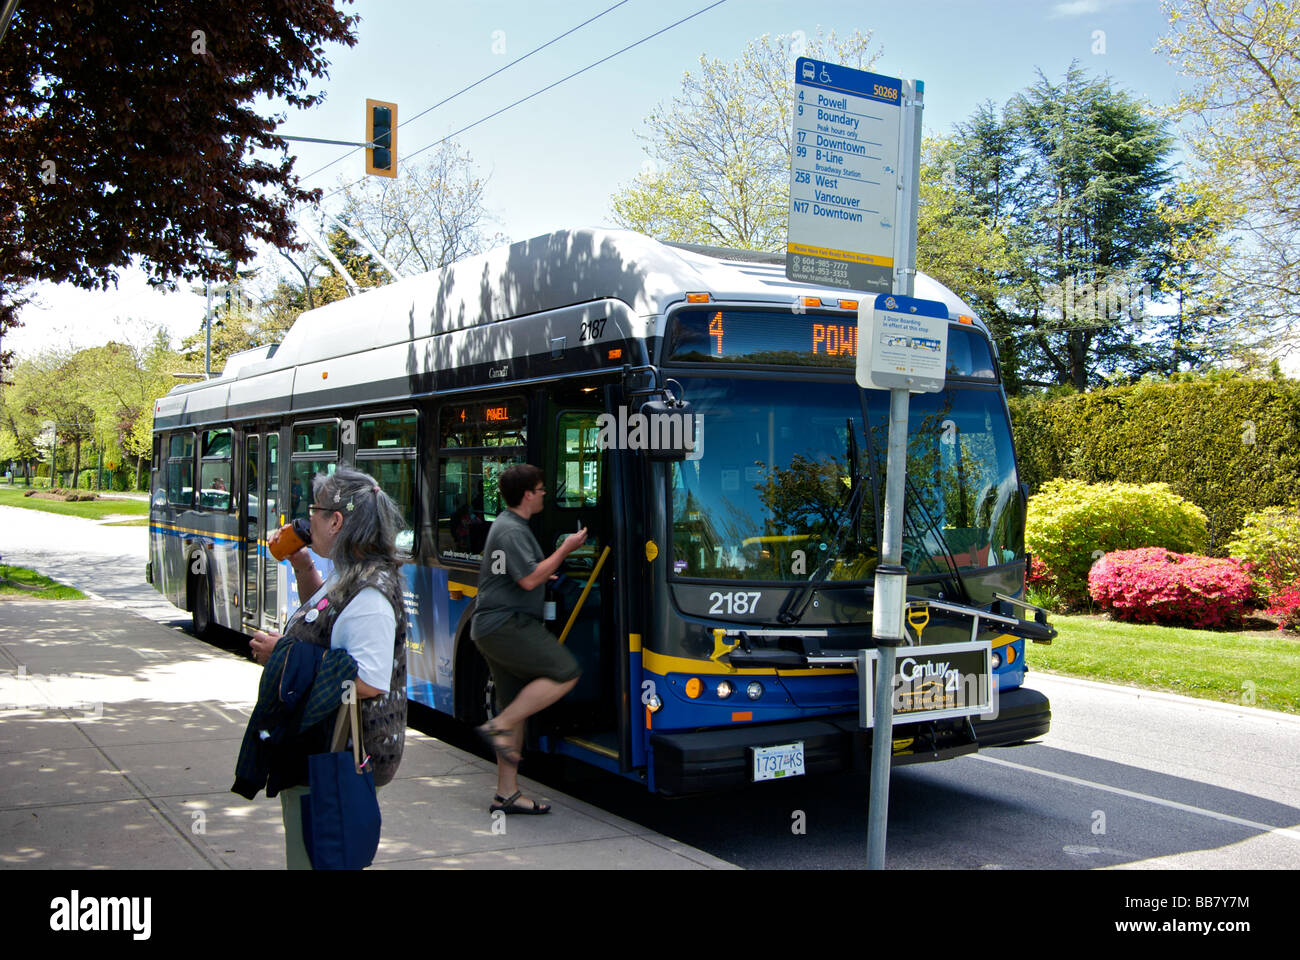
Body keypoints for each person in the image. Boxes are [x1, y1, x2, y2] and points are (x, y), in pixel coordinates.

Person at [233, 467, 407, 869]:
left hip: (333, 756)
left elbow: (368, 679)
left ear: (336, 520)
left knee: (314, 858)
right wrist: (303, 567)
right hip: (319, 749)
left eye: (314, 510)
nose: (306, 519)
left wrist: (285, 654)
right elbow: (325, 620)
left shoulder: (371, 591)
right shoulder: (351, 574)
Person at [472, 463, 586, 814]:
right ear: (526, 495)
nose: (544, 494)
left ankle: (506, 793)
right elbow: (528, 580)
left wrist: (548, 572)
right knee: (566, 671)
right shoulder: (510, 530)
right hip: (506, 625)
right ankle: (498, 725)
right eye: (539, 489)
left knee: (514, 708)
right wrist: (566, 549)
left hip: (494, 627)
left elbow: (522, 573)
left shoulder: (513, 527)